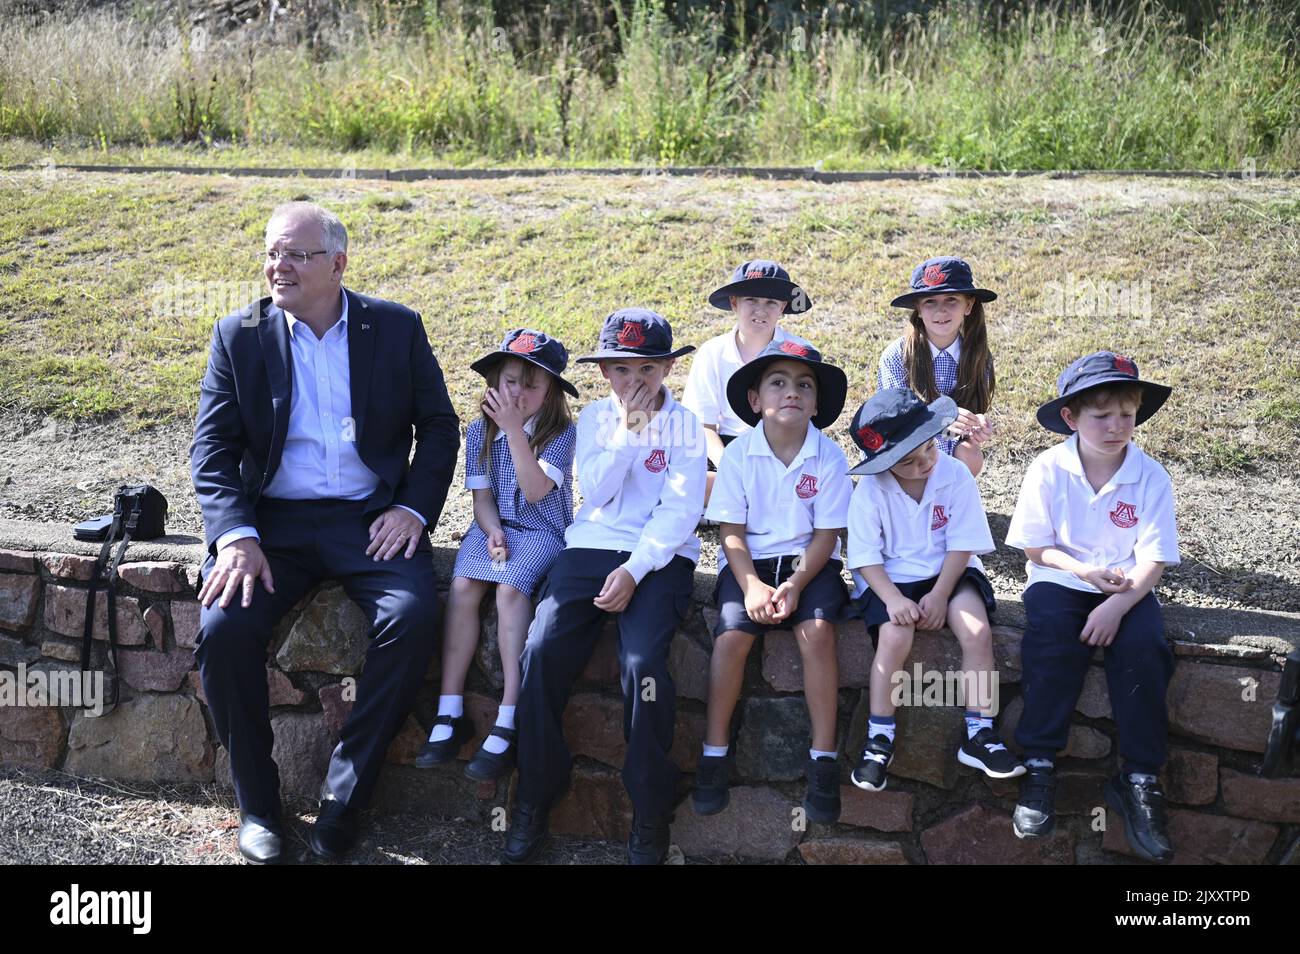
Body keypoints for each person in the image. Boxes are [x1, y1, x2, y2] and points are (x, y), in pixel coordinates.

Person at [189, 201, 459, 864]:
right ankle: (258, 805)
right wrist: (235, 535)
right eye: (272, 253)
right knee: (223, 629)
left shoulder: (394, 329)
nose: (278, 266)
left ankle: (345, 800)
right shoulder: (241, 335)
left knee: (414, 615)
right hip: (272, 526)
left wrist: (414, 511)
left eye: (296, 254)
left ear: (337, 264)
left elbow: (441, 427)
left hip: (368, 521)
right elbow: (212, 449)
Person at [503, 308, 706, 865]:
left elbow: (680, 509)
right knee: (541, 650)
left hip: (658, 559)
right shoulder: (594, 419)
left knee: (642, 667)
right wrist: (628, 429)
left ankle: (649, 804)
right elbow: (594, 491)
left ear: (668, 367)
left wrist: (635, 570)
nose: (632, 382)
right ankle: (538, 790)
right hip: (590, 546)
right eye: (619, 369)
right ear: (603, 374)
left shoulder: (687, 425)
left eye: (646, 368)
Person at [1006, 351, 1179, 862]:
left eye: (1126, 414)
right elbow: (1037, 549)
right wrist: (1082, 573)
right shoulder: (1048, 469)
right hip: (1061, 578)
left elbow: (1153, 560)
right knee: (1054, 646)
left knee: (1146, 650)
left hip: (1127, 587)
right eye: (1101, 415)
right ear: (1071, 418)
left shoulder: (1150, 476)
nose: (1116, 426)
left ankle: (1140, 777)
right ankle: (1038, 765)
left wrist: (1116, 606)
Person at [692, 339, 852, 823]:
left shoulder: (829, 457)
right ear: (755, 400)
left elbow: (827, 536)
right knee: (733, 637)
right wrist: (753, 587)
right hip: (750, 566)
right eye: (777, 383)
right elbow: (731, 534)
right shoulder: (739, 455)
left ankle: (823, 759)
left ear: (818, 402)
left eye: (805, 385)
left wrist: (797, 585)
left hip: (810, 564)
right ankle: (714, 753)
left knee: (818, 633)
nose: (792, 392)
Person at [416, 329, 577, 781]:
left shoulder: (560, 433)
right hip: (496, 529)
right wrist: (490, 531)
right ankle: (450, 709)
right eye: (511, 381)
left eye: (532, 385)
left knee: (509, 591)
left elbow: (534, 489)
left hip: (543, 531)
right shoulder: (479, 431)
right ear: (494, 381)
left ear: (550, 394)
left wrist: (513, 431)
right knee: (464, 586)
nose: (519, 393)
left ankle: (510, 711)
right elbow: (482, 499)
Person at [845, 389, 1023, 792]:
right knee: (893, 637)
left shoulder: (954, 474)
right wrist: (892, 598)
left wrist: (941, 594)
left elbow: (963, 543)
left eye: (927, 448)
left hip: (950, 571)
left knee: (976, 632)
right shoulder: (870, 491)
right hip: (890, 577)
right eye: (907, 461)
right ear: (884, 463)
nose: (924, 462)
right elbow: (865, 557)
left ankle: (979, 731)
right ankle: (879, 737)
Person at [682, 260, 814, 500]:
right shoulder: (712, 352)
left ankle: (749, 500)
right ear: (734, 303)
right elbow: (703, 426)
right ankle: (758, 499)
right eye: (751, 300)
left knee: (815, 480)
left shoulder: (801, 352)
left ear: (783, 306)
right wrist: (728, 467)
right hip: (726, 449)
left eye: (771, 302)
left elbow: (810, 421)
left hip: (783, 446)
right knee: (683, 479)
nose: (760, 310)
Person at [878, 256, 997, 477]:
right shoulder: (897, 355)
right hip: (902, 443)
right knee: (911, 452)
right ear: (919, 309)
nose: (941, 311)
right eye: (930, 301)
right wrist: (941, 420)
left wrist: (975, 425)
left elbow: (969, 417)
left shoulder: (978, 356)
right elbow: (895, 420)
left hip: (948, 442)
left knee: (970, 453)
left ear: (968, 305)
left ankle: (947, 503)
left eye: (951, 299)